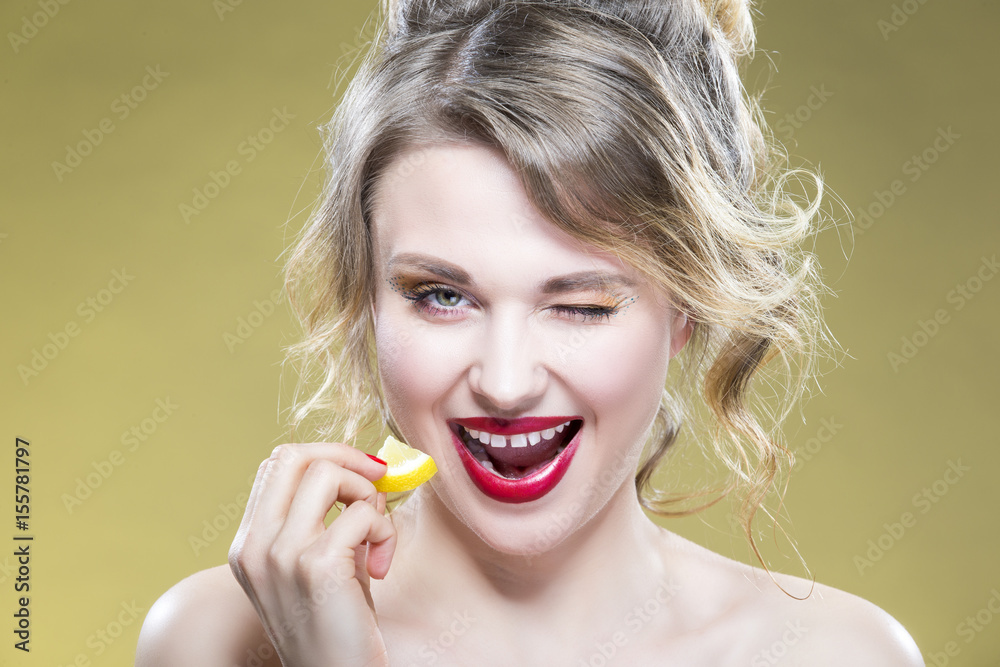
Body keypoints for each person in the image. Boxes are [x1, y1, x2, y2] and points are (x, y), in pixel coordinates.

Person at [136, 0, 924, 664]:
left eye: (581, 304)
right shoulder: (208, 639)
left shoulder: (840, 654)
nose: (506, 383)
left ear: (687, 304)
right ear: (366, 296)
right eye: (442, 295)